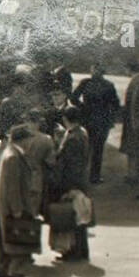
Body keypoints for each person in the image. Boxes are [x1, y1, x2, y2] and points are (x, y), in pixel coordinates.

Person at [0, 122, 42, 277]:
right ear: (23, 140)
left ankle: (0, 270)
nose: (30, 142)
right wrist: (18, 209)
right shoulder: (14, 157)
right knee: (16, 242)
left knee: (3, 240)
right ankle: (14, 272)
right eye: (29, 139)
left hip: (1, 206)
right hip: (10, 206)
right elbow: (12, 187)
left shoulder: (8, 153)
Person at [51, 106, 92, 261]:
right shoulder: (81, 133)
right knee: (80, 216)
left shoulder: (73, 138)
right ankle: (81, 251)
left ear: (66, 119)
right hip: (80, 180)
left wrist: (65, 185)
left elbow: (67, 163)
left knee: (72, 217)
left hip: (72, 182)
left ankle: (74, 251)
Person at [72, 63, 119, 184]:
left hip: (87, 119)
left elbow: (73, 98)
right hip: (102, 121)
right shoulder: (108, 85)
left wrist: (83, 107)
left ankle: (80, 176)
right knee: (97, 150)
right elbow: (115, 104)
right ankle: (94, 176)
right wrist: (109, 115)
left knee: (85, 148)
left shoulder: (86, 83)